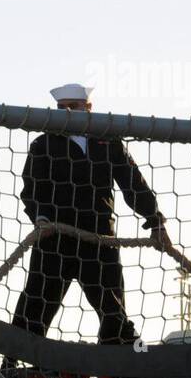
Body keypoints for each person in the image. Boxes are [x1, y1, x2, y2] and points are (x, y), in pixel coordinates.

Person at [13, 84, 168, 349]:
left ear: (88, 108)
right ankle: (13, 369)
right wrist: (41, 218)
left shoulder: (108, 142)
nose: (67, 113)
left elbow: (132, 183)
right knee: (35, 308)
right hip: (55, 240)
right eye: (62, 109)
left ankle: (119, 376)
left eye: (73, 107)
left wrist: (155, 221)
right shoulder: (44, 144)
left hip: (99, 241)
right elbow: (32, 187)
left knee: (113, 311)